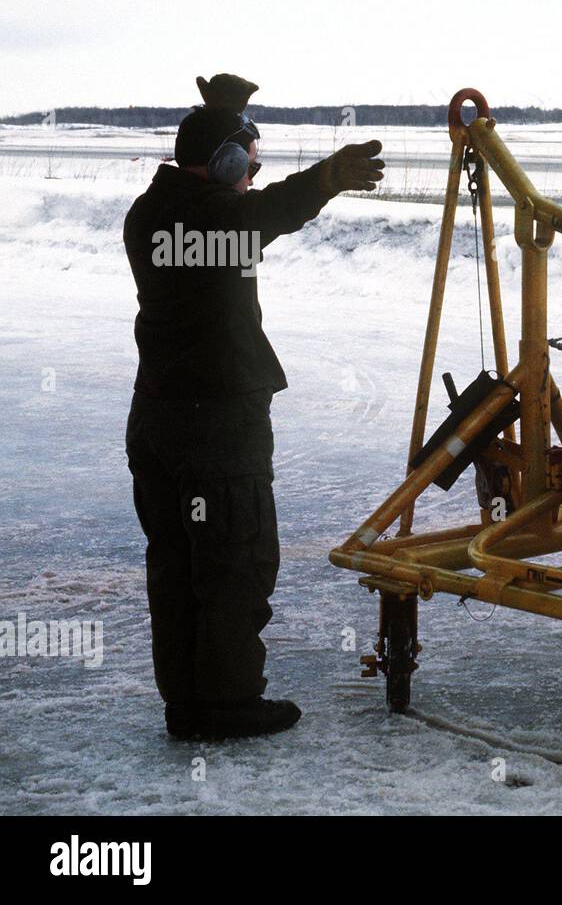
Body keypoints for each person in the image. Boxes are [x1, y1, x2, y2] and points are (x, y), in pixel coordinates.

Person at [122, 74, 384, 740]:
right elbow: (260, 214)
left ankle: (189, 703)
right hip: (214, 427)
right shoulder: (213, 220)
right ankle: (230, 703)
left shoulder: (149, 212)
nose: (254, 175)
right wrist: (326, 178)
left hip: (158, 418)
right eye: (250, 163)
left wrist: (223, 115)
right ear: (229, 166)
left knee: (177, 567)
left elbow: (229, 208)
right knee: (235, 562)